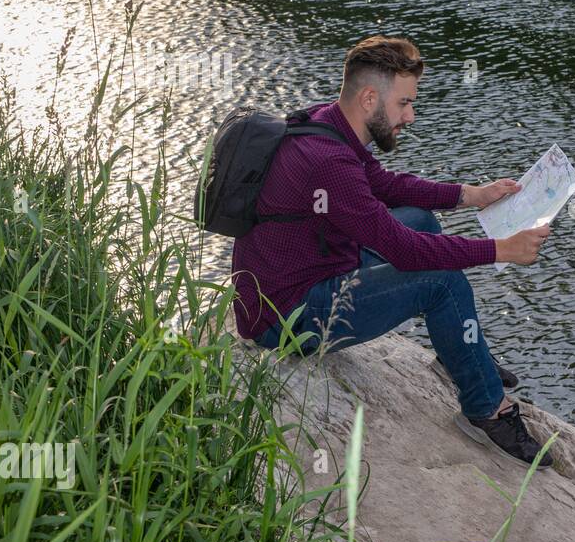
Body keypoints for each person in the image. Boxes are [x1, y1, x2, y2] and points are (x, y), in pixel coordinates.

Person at [230, 35, 554, 469]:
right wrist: (501, 250)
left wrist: (470, 195)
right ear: (369, 98)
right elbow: (402, 251)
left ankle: (460, 350)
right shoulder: (329, 161)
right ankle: (485, 411)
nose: (411, 116)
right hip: (287, 320)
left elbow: (385, 186)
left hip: (306, 273)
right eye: (403, 103)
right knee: (441, 280)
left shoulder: (328, 122)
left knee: (421, 218)